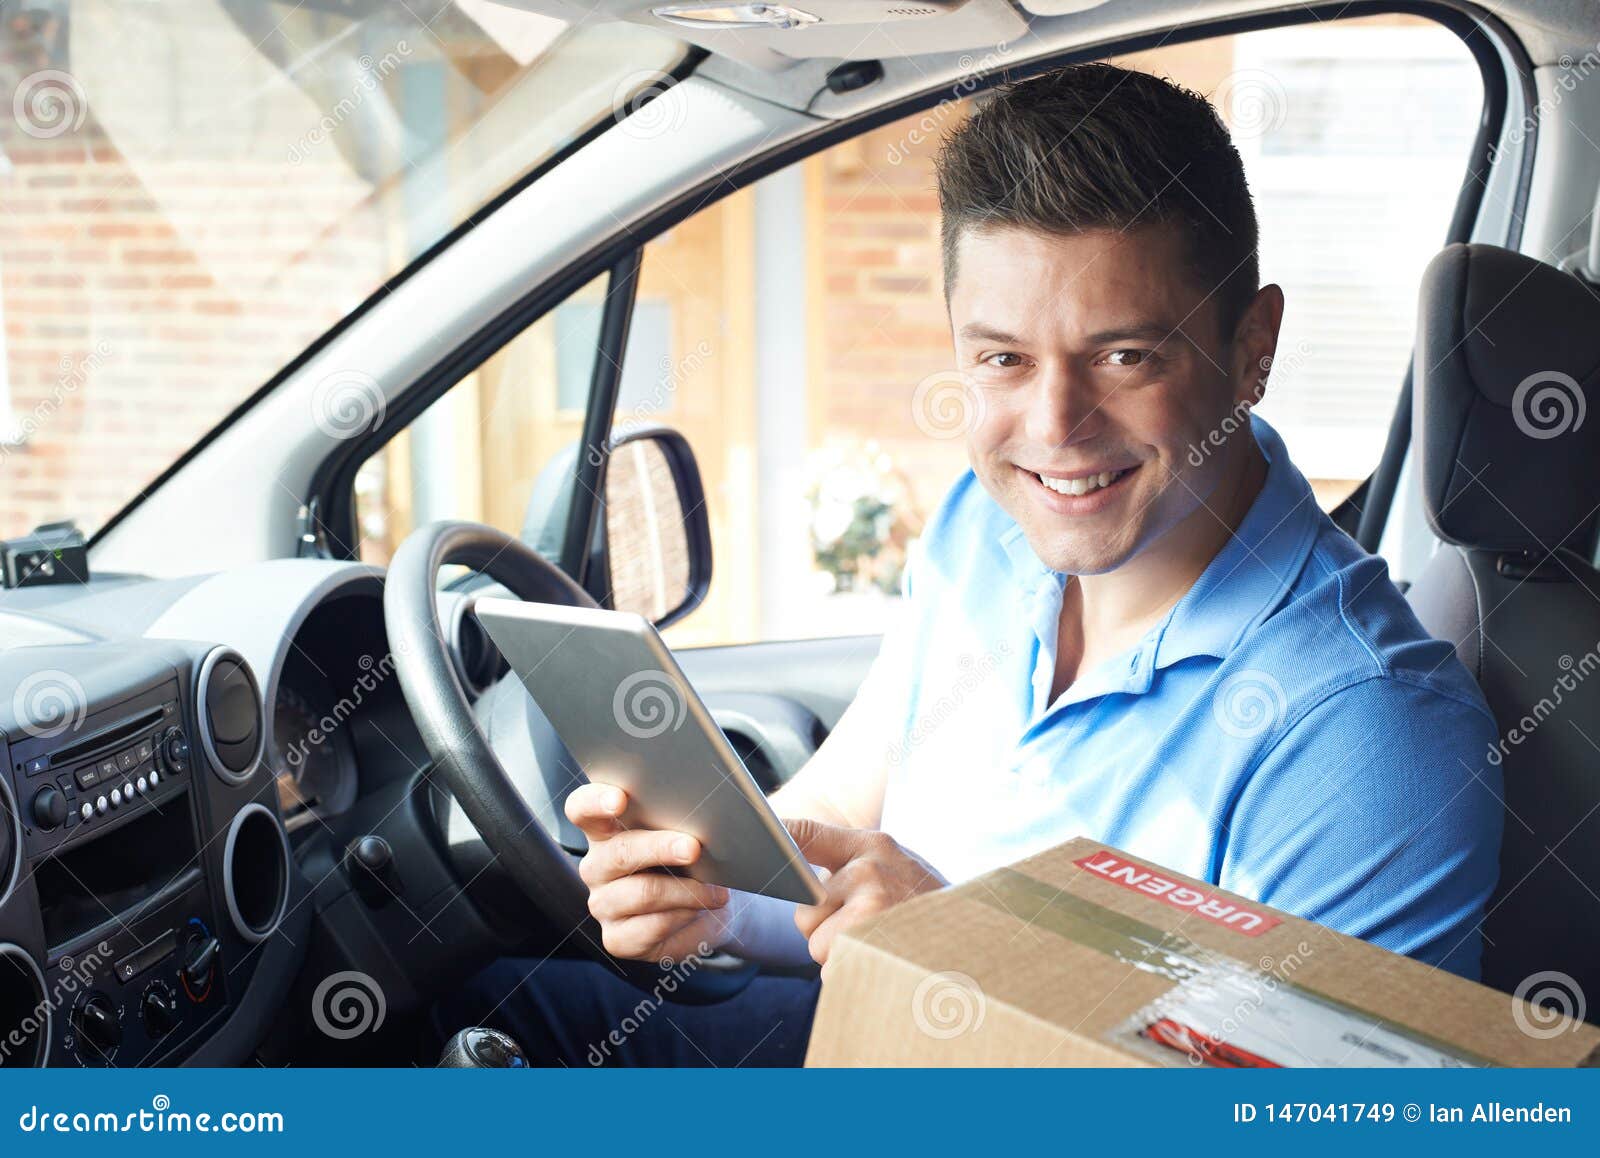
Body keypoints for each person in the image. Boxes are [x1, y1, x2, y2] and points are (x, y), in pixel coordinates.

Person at [436, 62, 1502, 1066]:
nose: (1054, 427)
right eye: (1002, 358)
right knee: (479, 1008)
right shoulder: (986, 528)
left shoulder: (1372, 733)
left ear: (1250, 348)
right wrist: (707, 899)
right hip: (869, 1044)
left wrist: (969, 960)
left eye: (1124, 355)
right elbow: (843, 825)